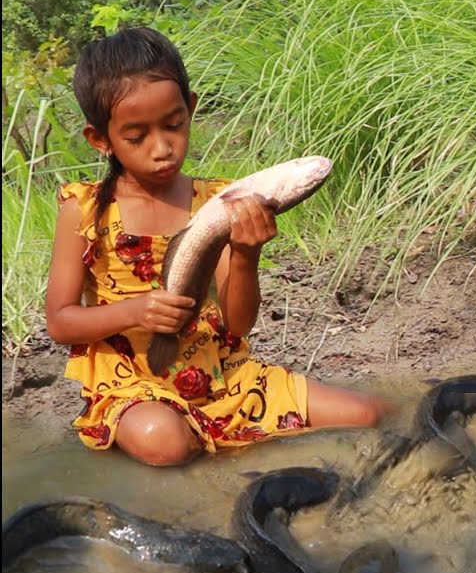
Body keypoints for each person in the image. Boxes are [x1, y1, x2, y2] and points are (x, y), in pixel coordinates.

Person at [44, 27, 386, 467]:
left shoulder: (219, 202)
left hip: (224, 374)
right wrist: (134, 311)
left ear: (190, 108)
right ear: (101, 139)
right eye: (137, 137)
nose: (162, 148)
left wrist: (246, 253)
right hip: (133, 384)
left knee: (368, 414)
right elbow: (60, 322)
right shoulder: (85, 208)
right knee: (163, 442)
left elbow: (239, 324)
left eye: (173, 125)